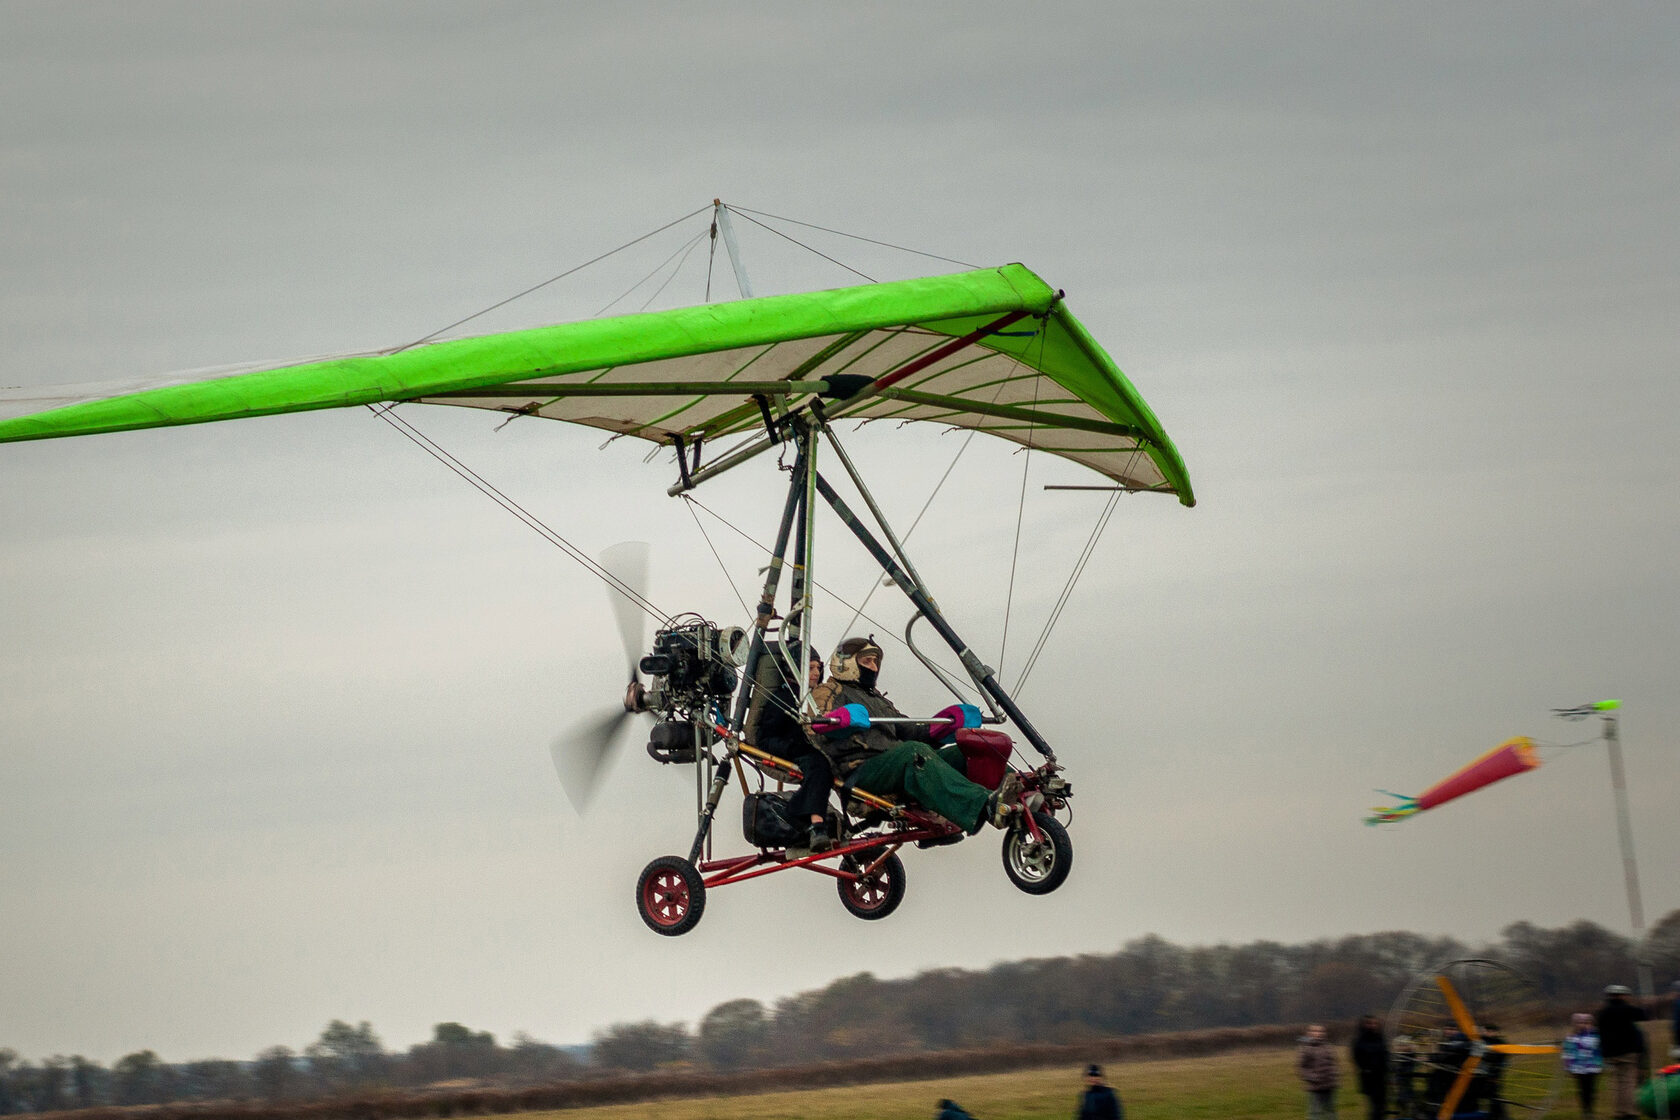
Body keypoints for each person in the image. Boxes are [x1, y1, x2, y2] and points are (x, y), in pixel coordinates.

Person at [809, 636, 1020, 834]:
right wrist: (838, 721)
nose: (873, 667)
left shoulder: (875, 698)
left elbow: (908, 730)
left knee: (966, 752)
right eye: (867, 661)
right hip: (863, 771)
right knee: (914, 753)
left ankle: (1022, 791)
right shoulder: (828, 691)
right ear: (846, 664)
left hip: (898, 764)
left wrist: (937, 729)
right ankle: (986, 805)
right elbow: (814, 724)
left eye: (875, 662)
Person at [753, 646, 835, 848]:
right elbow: (766, 739)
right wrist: (791, 748)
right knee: (820, 766)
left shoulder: (820, 698)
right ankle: (817, 825)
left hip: (823, 746)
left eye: (818, 668)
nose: (816, 673)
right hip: (797, 751)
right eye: (810, 668)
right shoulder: (784, 699)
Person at [1596, 983, 1648, 1120]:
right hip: (1628, 1052)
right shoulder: (1627, 1009)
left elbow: (1599, 1032)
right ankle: (1629, 1111)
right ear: (1622, 995)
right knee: (1628, 1082)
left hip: (1610, 1053)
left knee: (1616, 1083)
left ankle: (1618, 1111)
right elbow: (1644, 1014)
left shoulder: (1602, 1013)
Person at [1564, 1012, 1604, 1118]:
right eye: (1580, 1022)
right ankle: (1585, 1109)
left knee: (1591, 1089)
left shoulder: (1596, 1035)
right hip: (1578, 1068)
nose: (1583, 1025)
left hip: (1592, 1067)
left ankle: (1590, 1110)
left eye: (1586, 1022)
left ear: (1591, 1023)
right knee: (1582, 1090)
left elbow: (1600, 1050)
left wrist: (1600, 1063)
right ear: (1575, 1024)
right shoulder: (1572, 1037)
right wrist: (1567, 1065)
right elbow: (1567, 1052)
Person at [1298, 1024, 1341, 1120]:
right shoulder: (1306, 1048)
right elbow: (1302, 1067)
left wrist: (1334, 1075)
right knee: (1315, 1112)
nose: (1318, 1033)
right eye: (1315, 1031)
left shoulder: (1328, 1047)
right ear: (1309, 1034)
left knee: (1331, 1111)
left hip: (1329, 1084)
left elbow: (1333, 1063)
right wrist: (1313, 1078)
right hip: (1315, 1086)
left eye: (1321, 1031)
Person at [1350, 1014, 1389, 1120]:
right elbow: (1357, 1058)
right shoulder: (1359, 1041)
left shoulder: (1380, 1038)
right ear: (1364, 1025)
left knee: (1382, 1106)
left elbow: (1385, 1054)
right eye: (1369, 1023)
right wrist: (1368, 1068)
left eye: (1375, 1023)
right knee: (1375, 1106)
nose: (1373, 1025)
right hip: (1369, 1078)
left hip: (1382, 1077)